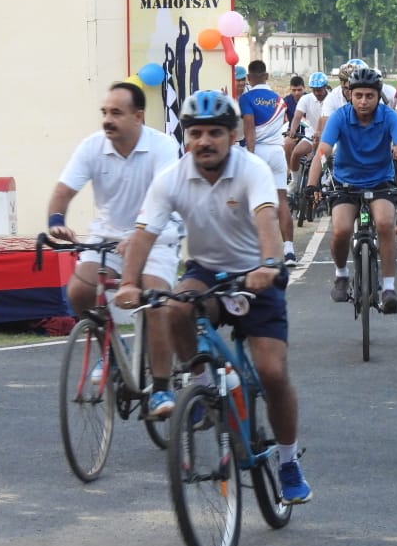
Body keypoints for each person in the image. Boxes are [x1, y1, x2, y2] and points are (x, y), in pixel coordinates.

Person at [113, 91, 312, 503]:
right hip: (206, 273)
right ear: (186, 137)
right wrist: (128, 283)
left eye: (215, 133)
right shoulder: (171, 177)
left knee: (272, 374)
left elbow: (266, 220)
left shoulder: (252, 169)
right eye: (196, 133)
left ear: (233, 135)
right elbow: (144, 234)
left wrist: (269, 264)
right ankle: (202, 384)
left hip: (258, 276)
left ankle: (289, 461)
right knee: (173, 306)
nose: (205, 141)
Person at [46, 82, 184, 418]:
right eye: (104, 113)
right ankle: (111, 351)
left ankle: (162, 389)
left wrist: (139, 236)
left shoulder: (163, 147)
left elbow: (161, 202)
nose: (107, 120)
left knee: (154, 302)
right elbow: (63, 191)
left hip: (158, 233)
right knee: (79, 290)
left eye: (116, 113)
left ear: (138, 116)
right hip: (107, 235)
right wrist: (56, 222)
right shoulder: (92, 147)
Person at [307, 66, 397, 313]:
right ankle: (341, 273)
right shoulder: (340, 117)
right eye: (359, 96)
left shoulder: (389, 117)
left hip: (381, 181)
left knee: (386, 223)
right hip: (346, 182)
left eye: (370, 95)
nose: (364, 101)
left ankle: (389, 287)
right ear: (349, 95)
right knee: (341, 229)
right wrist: (312, 184)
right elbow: (323, 152)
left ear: (379, 96)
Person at [239, 60, 297, 266]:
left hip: (259, 152)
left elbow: (249, 129)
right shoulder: (279, 100)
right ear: (267, 76)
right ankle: (289, 250)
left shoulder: (246, 98)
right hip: (277, 151)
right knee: (282, 201)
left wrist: (250, 156)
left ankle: (258, 250)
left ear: (249, 78)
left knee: (253, 201)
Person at [284, 71, 329, 192]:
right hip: (311, 135)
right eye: (314, 90)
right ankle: (294, 181)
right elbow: (297, 116)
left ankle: (326, 181)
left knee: (324, 158)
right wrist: (293, 130)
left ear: (325, 87)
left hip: (328, 137)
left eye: (319, 90)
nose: (316, 93)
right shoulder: (306, 99)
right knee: (296, 153)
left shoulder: (331, 99)